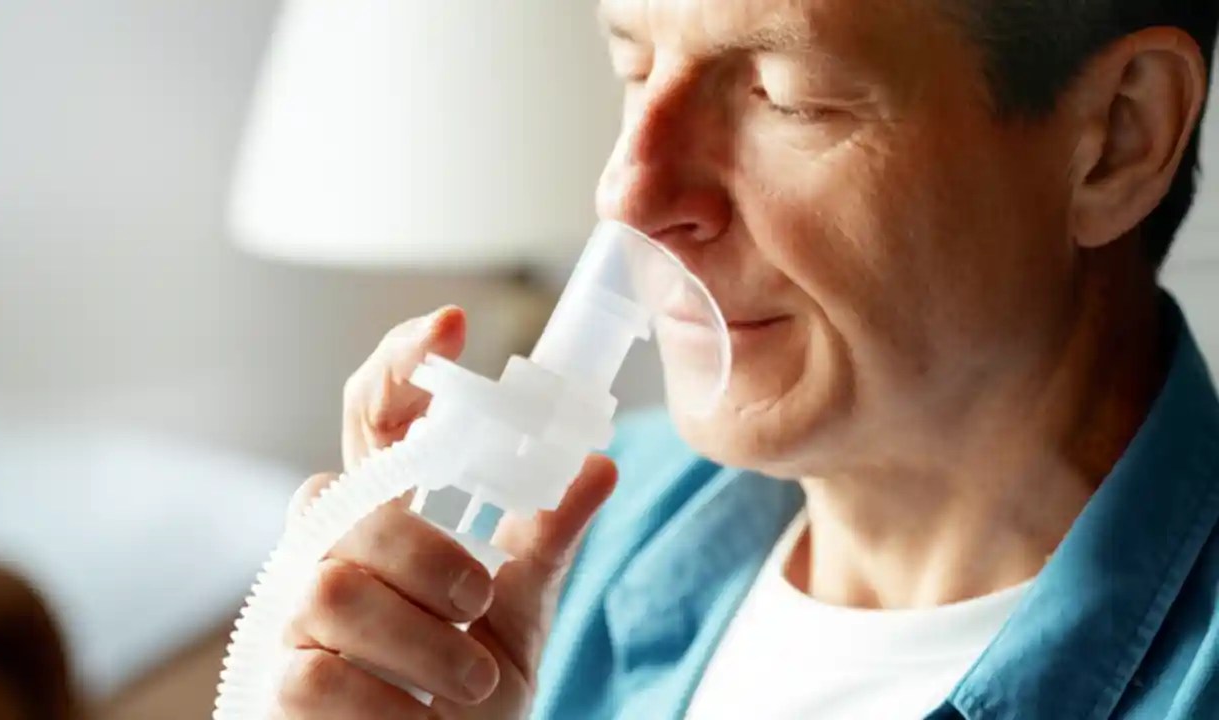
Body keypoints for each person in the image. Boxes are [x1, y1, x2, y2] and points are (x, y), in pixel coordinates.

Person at [273, 0, 1219, 717]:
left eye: (785, 95)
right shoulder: (569, 541)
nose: (628, 195)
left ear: (1118, 137)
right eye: (635, 68)